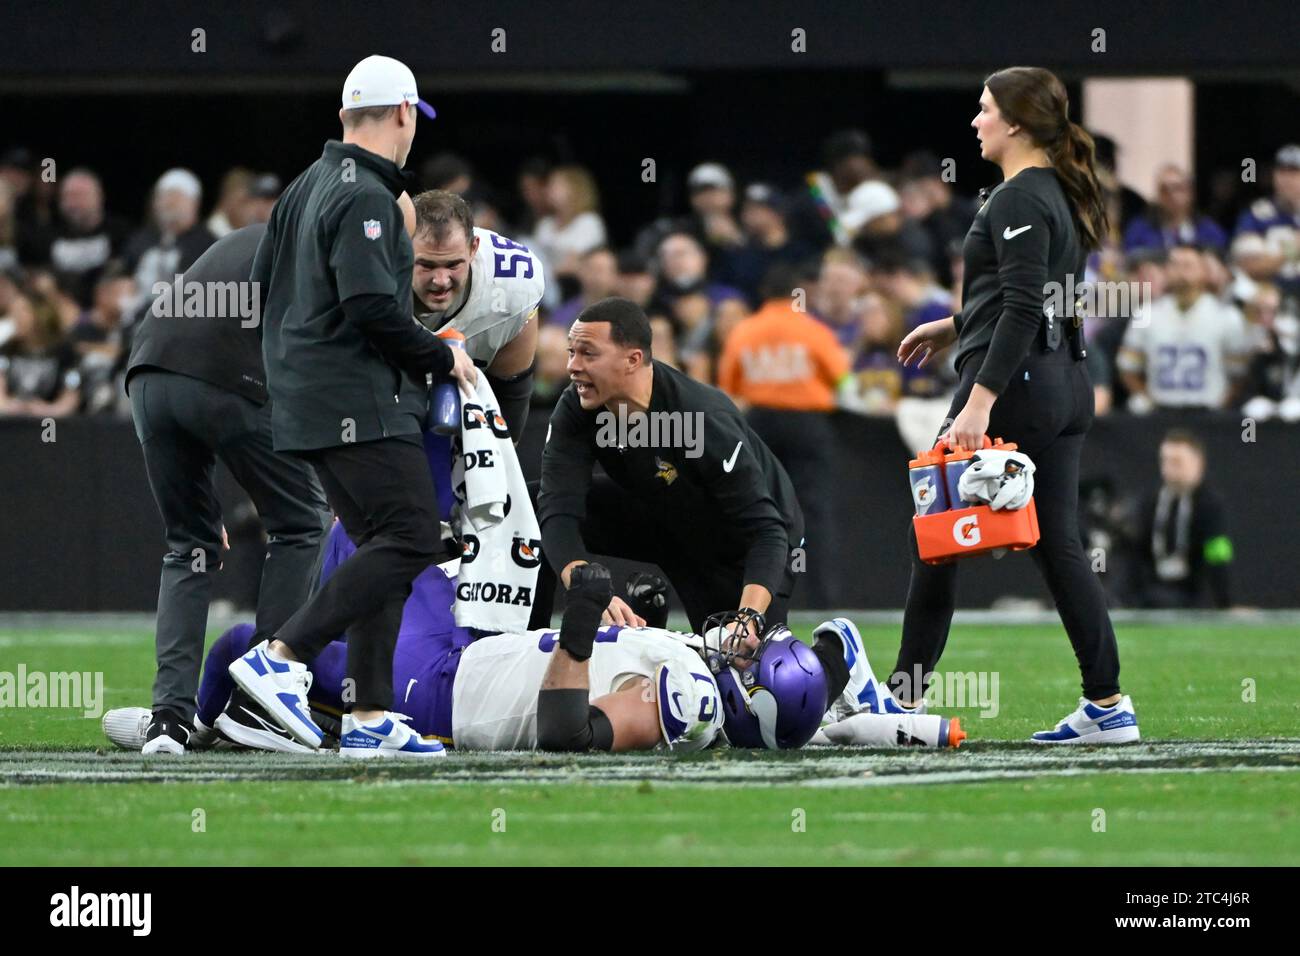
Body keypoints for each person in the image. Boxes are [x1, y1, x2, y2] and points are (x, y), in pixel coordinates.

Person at [104, 541, 961, 754]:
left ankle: (221, 713)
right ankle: (199, 723)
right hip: (465, 650)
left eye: (749, 656)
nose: (739, 642)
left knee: (382, 526)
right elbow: (831, 698)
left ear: (747, 691)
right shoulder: (709, 682)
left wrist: (584, 627)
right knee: (403, 537)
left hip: (439, 691)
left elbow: (567, 734)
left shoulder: (693, 702)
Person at [230, 54, 477, 760]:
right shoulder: (367, 192)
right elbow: (369, 306)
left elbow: (260, 286)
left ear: (344, 115)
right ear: (404, 113)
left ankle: (369, 713)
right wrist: (440, 356)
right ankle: (281, 654)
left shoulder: (303, 186)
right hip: (358, 398)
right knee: (413, 536)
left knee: (383, 548)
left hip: (304, 398)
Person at [891, 66, 1139, 744]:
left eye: (985, 109)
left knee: (935, 533)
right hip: (1066, 381)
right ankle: (1107, 703)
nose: (975, 121)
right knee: (1058, 544)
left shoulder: (1017, 196)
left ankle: (902, 698)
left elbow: (1026, 305)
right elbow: (1034, 294)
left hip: (1017, 386)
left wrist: (978, 403)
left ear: (1018, 122)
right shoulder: (1061, 190)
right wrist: (957, 324)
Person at [123, 224, 333, 753]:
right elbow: (314, 355)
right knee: (303, 523)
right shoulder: (335, 244)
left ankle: (169, 719)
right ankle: (260, 701)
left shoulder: (254, 237)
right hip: (224, 374)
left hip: (147, 370)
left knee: (189, 546)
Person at [535, 296, 805, 638]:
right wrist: (586, 587)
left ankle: (837, 658)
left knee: (743, 660)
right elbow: (557, 508)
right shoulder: (577, 407)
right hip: (664, 512)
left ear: (633, 359)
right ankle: (528, 646)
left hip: (743, 539)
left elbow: (765, 530)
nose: (572, 366)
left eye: (588, 354)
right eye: (571, 352)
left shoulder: (700, 418)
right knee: (529, 506)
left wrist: (747, 617)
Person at [716, 265, 851, 606]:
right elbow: (841, 377)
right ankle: (822, 598)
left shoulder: (744, 331)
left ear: (764, 294)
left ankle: (756, 595)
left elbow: (729, 385)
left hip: (759, 425)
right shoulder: (812, 330)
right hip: (807, 424)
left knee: (758, 508)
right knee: (814, 511)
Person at [408, 189, 544, 438]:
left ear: (473, 248)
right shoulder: (367, 272)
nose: (441, 280)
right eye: (426, 265)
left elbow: (510, 398)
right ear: (401, 248)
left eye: (453, 264)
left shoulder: (512, 285)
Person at [1116, 243, 1250, 412]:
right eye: (1174, 264)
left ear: (1204, 271)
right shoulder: (1146, 313)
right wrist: (1146, 398)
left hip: (1208, 410)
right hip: (1160, 411)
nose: (1180, 271)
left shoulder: (1227, 316)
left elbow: (1239, 374)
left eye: (1188, 265)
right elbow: (1127, 367)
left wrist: (1223, 404)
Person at [1127, 430, 1234, 609]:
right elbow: (1136, 553)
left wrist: (1225, 604)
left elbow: (1218, 555)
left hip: (1193, 596)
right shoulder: (1151, 502)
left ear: (1198, 463)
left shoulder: (1210, 505)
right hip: (1150, 592)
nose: (1169, 469)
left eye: (1177, 462)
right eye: (1165, 461)